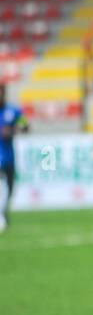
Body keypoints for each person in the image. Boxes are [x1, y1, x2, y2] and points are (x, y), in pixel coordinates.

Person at [0, 82, 30, 232]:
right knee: (2, 188)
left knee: (10, 189)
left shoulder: (13, 111)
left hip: (9, 156)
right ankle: (1, 216)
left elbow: (26, 125)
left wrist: (13, 130)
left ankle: (3, 213)